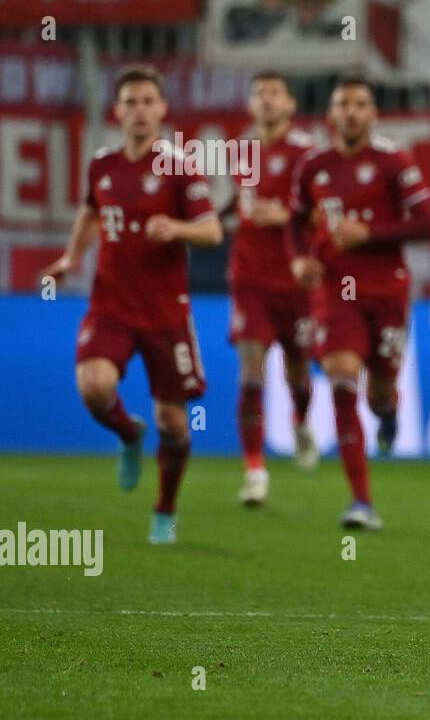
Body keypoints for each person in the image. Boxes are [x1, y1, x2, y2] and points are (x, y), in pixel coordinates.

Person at [40, 65, 222, 544]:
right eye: (131, 101)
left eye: (148, 101)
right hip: (112, 305)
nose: (140, 110)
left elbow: (212, 230)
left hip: (166, 313)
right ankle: (127, 433)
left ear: (162, 109)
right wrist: (69, 258)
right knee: (93, 387)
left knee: (174, 423)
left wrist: (177, 229)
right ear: (117, 110)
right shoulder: (102, 164)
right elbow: (90, 211)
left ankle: (164, 509)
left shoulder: (179, 166)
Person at [286, 78, 430, 531]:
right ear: (331, 116)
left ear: (373, 115)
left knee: (378, 394)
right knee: (342, 380)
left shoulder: (393, 161)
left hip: (386, 291)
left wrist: (369, 234)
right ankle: (361, 501)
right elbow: (295, 220)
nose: (350, 112)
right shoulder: (313, 165)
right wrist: (298, 260)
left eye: (360, 105)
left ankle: (388, 412)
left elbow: (427, 224)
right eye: (342, 105)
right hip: (334, 291)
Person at [227, 71, 319, 507]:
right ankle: (254, 470)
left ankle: (301, 421)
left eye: (274, 93)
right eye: (258, 93)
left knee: (298, 371)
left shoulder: (307, 153)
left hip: (296, 280)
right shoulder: (237, 152)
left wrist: (284, 217)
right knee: (251, 372)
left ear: (290, 104)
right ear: (250, 106)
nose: (265, 100)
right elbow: (227, 203)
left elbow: (324, 215)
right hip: (249, 280)